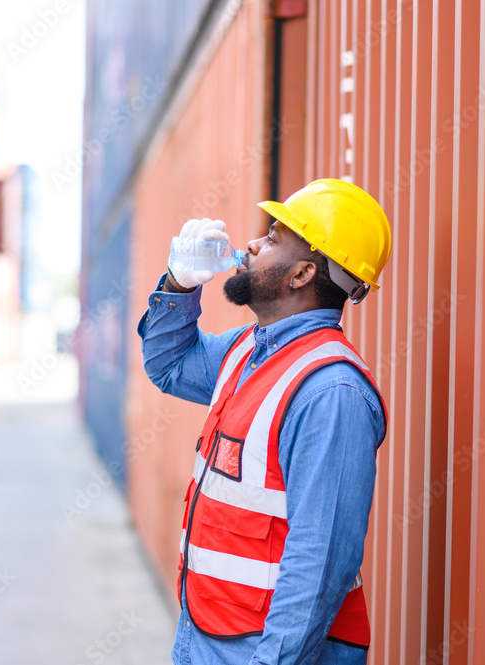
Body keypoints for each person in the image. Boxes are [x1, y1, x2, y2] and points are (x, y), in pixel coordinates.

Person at [137, 179, 392, 665]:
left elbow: (318, 565)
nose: (252, 244)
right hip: (206, 632)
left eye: (273, 238)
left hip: (265, 651)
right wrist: (179, 283)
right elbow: (167, 364)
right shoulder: (245, 350)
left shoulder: (330, 392)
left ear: (302, 274)